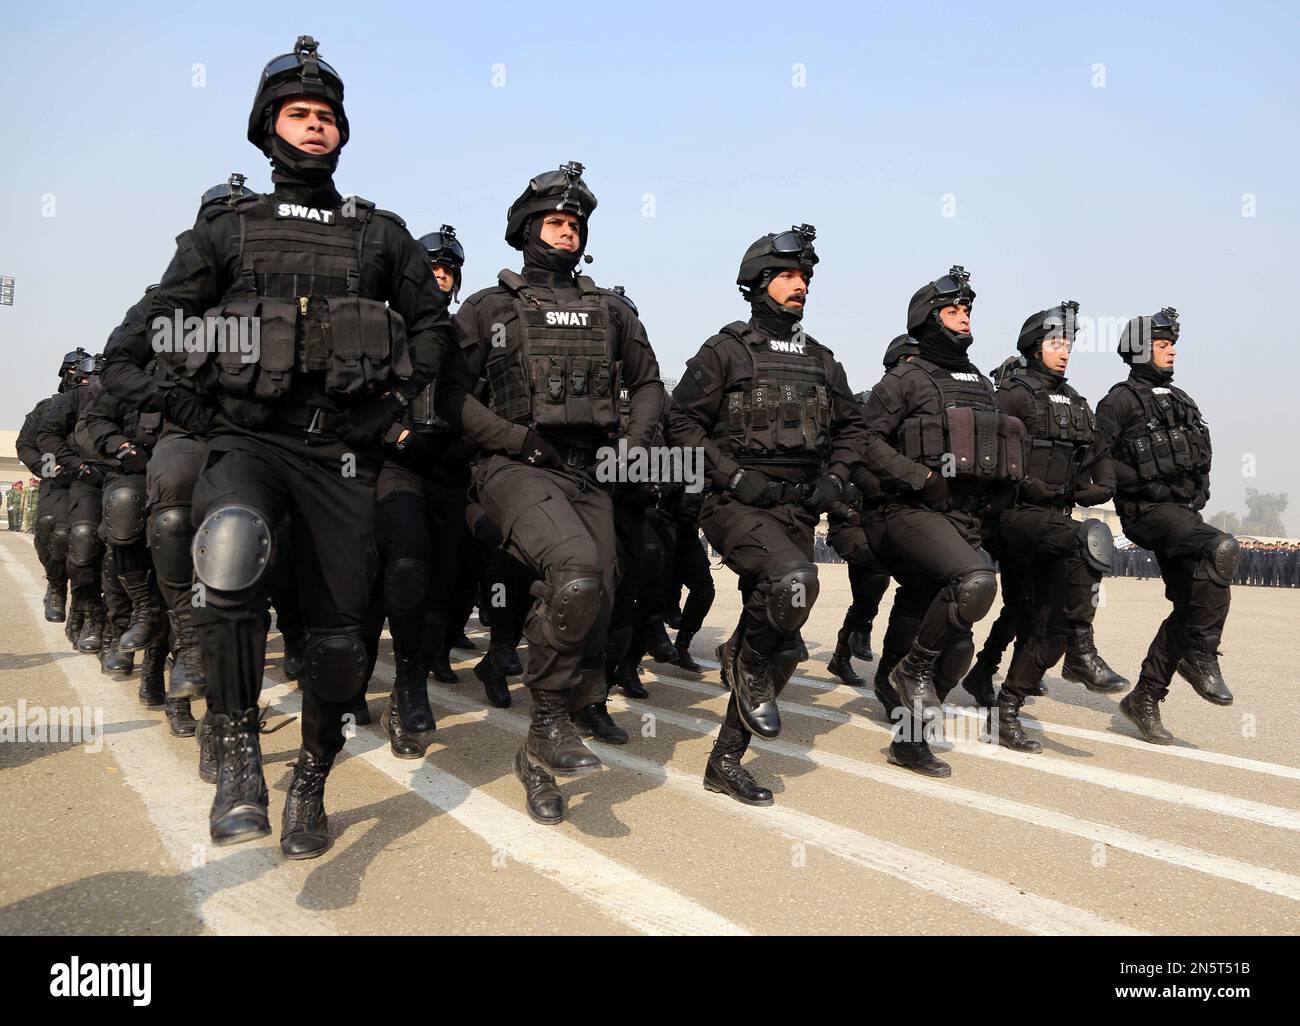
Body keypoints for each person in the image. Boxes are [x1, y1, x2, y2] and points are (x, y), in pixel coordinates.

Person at [119, 36, 452, 857]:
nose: (315, 126)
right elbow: (141, 340)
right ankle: (239, 756)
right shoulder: (228, 235)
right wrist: (192, 399)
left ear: (343, 133)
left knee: (339, 642)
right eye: (299, 114)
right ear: (268, 128)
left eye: (327, 116)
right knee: (228, 561)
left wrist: (400, 409)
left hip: (342, 457)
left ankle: (311, 776)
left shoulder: (379, 236)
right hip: (248, 444)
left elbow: (439, 330)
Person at [435, 162, 665, 825]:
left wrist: (638, 441)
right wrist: (511, 437)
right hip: (514, 466)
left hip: (590, 470)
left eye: (576, 224)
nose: (567, 232)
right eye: (555, 221)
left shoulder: (611, 310)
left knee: (598, 597)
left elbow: (649, 383)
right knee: (575, 575)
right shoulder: (489, 308)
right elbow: (447, 395)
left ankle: (541, 743)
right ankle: (551, 722)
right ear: (527, 229)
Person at [669, 224, 868, 805]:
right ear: (757, 282)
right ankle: (741, 658)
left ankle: (724, 759)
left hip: (797, 510)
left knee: (784, 640)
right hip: (733, 502)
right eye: (786, 275)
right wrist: (730, 474)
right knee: (793, 581)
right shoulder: (725, 350)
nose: (799, 284)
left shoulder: (821, 360)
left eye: (804, 276)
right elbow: (682, 422)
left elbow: (854, 427)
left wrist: (833, 479)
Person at [861, 266, 1025, 777]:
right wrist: (919, 477)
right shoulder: (906, 378)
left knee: (956, 649)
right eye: (953, 310)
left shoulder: (979, 381)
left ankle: (910, 742)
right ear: (928, 318)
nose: (964, 318)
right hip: (908, 512)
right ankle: (910, 670)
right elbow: (864, 441)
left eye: (968, 310)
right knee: (976, 581)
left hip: (964, 517)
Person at [971, 302, 1121, 750]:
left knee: (1040, 621)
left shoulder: (1076, 402)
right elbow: (983, 455)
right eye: (1057, 342)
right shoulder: (1013, 395)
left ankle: (1007, 704)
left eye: (1069, 343)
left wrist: (1104, 482)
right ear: (1035, 347)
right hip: (1013, 518)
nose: (1065, 351)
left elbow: (1098, 456)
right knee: (1088, 538)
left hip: (1053, 522)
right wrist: (1020, 479)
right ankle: (1082, 647)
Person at [1095, 308, 1235, 743]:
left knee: (1195, 602)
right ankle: (1202, 655)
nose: (1171, 351)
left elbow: (1201, 453)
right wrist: (1144, 486)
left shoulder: (1181, 399)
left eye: (1172, 343)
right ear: (1140, 350)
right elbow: (1098, 459)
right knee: (1223, 548)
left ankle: (1146, 697)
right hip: (1148, 514)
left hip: (1184, 514)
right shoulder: (1118, 401)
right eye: (1161, 344)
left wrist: (1200, 492)